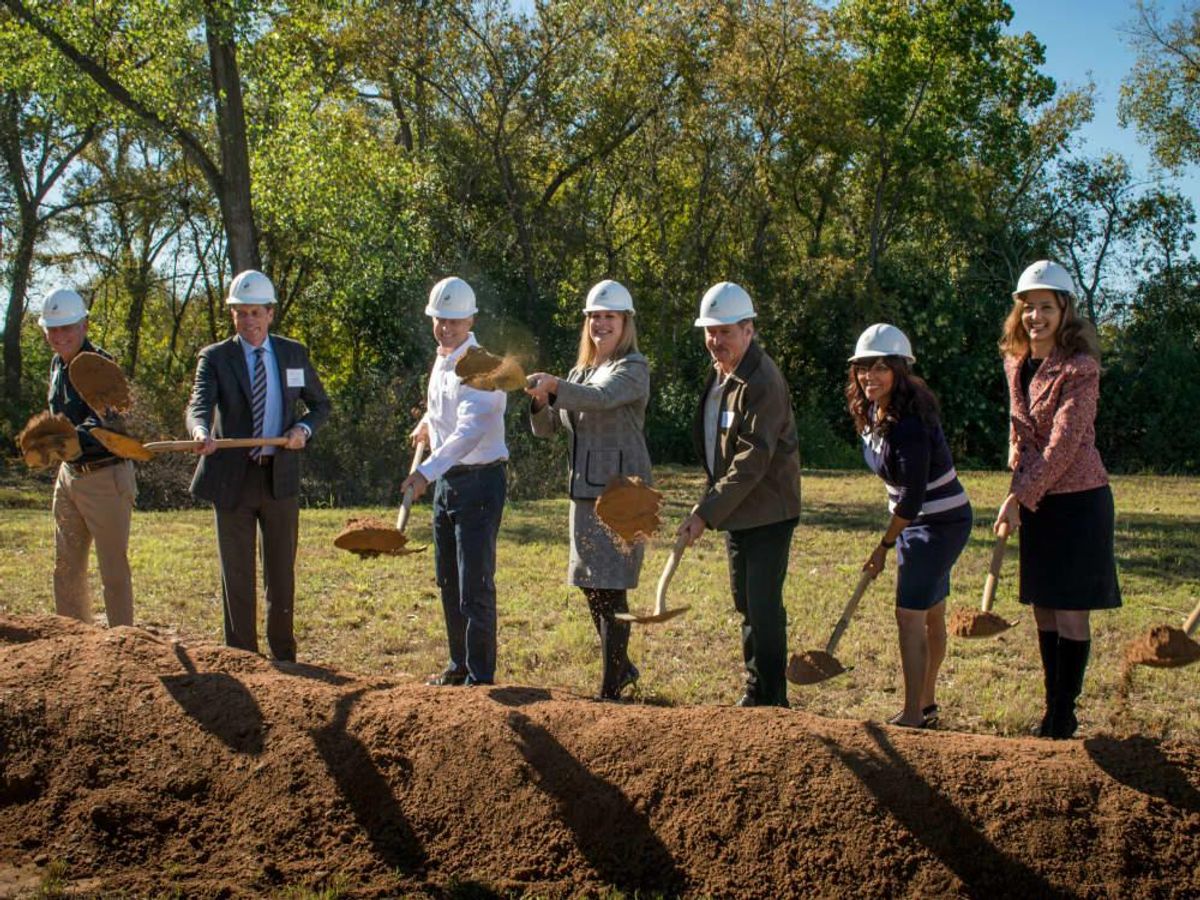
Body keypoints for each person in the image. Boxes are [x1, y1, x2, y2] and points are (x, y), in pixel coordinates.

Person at [995, 260, 1121, 740]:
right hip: (1039, 498)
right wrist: (1013, 448)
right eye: (1029, 308)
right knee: (1044, 607)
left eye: (1046, 308)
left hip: (1078, 500)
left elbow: (1064, 445)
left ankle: (1065, 713)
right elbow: (1021, 420)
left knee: (1070, 610)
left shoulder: (1080, 369)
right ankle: (1051, 709)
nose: (1036, 317)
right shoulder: (1016, 361)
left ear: (1065, 310)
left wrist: (1019, 499)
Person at [185, 269, 331, 662]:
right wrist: (200, 431)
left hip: (278, 476)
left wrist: (303, 428)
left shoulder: (292, 353)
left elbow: (320, 405)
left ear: (270, 313)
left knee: (281, 574)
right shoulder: (215, 358)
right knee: (237, 574)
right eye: (240, 313)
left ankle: (283, 655)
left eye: (255, 312)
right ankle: (242, 657)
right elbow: (199, 405)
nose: (248, 321)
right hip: (232, 478)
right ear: (232, 315)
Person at [676, 282, 801, 708]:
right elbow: (718, 446)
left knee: (763, 605)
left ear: (748, 330)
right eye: (710, 332)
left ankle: (773, 698)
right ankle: (756, 688)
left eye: (725, 331)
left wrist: (706, 512)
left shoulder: (761, 380)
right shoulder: (720, 373)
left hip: (767, 511)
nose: (716, 340)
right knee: (745, 602)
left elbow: (752, 457)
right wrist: (711, 502)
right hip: (737, 510)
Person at [526, 280, 651, 701]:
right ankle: (622, 667)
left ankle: (611, 685)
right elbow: (546, 430)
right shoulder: (580, 372)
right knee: (589, 583)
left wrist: (556, 386)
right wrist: (541, 401)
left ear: (625, 322)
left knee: (612, 585)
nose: (601, 323)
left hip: (623, 494)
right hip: (584, 491)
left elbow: (601, 398)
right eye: (595, 316)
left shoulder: (633, 368)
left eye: (609, 317)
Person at [847, 324, 972, 729]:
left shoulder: (911, 423)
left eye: (882, 368)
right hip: (914, 522)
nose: (871, 376)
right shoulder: (869, 409)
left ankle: (914, 713)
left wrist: (884, 546)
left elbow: (913, 497)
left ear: (901, 371)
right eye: (864, 367)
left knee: (911, 615)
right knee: (930, 611)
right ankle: (927, 705)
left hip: (939, 522)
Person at [401, 276, 508, 687]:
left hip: (480, 481)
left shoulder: (484, 367)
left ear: (471, 320)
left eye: (455, 322)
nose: (446, 329)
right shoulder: (443, 357)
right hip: (448, 478)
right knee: (448, 578)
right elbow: (444, 407)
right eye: (440, 320)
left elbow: (470, 431)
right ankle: (457, 664)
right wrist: (428, 422)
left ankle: (480, 676)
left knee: (474, 583)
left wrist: (425, 472)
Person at [38, 288, 136, 627]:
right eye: (53, 328)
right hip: (69, 477)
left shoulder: (98, 367)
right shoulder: (56, 364)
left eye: (67, 327)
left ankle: (124, 645)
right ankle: (73, 642)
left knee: (112, 569)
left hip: (105, 477)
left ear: (85, 325)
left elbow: (110, 423)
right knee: (66, 565)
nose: (59, 335)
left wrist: (61, 439)